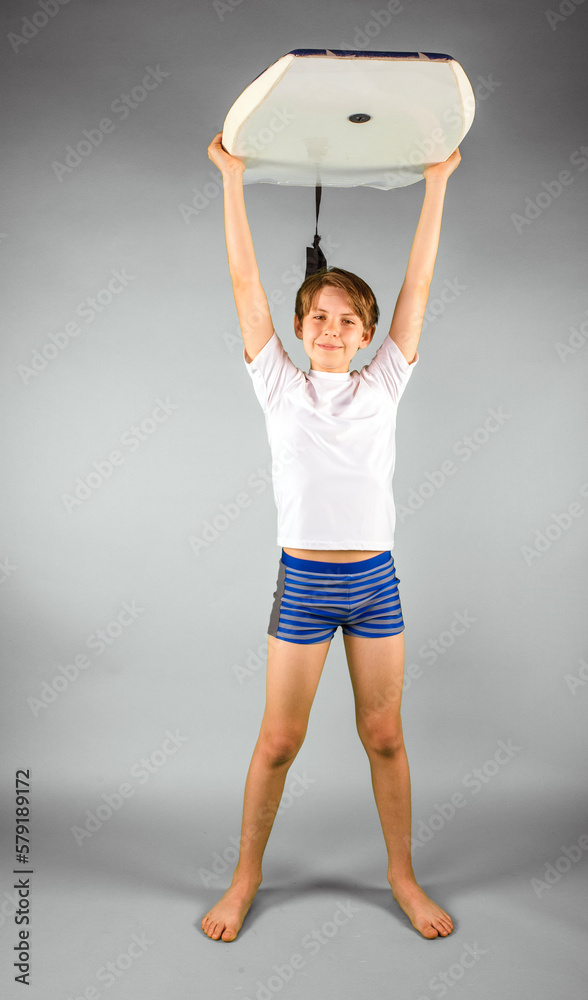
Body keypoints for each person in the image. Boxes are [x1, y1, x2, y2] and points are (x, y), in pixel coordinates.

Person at [201, 131, 461, 941]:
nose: (332, 327)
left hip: (374, 581)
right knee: (279, 740)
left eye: (349, 319)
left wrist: (437, 184)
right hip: (306, 585)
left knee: (384, 734)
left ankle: (401, 876)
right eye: (318, 315)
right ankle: (244, 879)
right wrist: (231, 179)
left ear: (367, 332)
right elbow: (244, 280)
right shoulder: (277, 383)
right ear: (298, 325)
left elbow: (419, 281)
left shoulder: (385, 381)